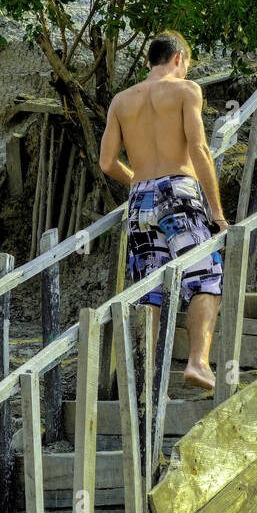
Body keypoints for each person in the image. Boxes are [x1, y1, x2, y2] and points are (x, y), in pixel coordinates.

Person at [99, 31, 227, 393]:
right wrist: (216, 212)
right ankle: (198, 363)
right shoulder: (187, 90)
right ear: (179, 58)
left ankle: (146, 379)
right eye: (186, 63)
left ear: (149, 62)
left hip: (139, 200)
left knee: (150, 289)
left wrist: (139, 182)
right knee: (205, 276)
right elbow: (199, 148)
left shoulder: (121, 102)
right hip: (179, 193)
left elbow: (107, 162)